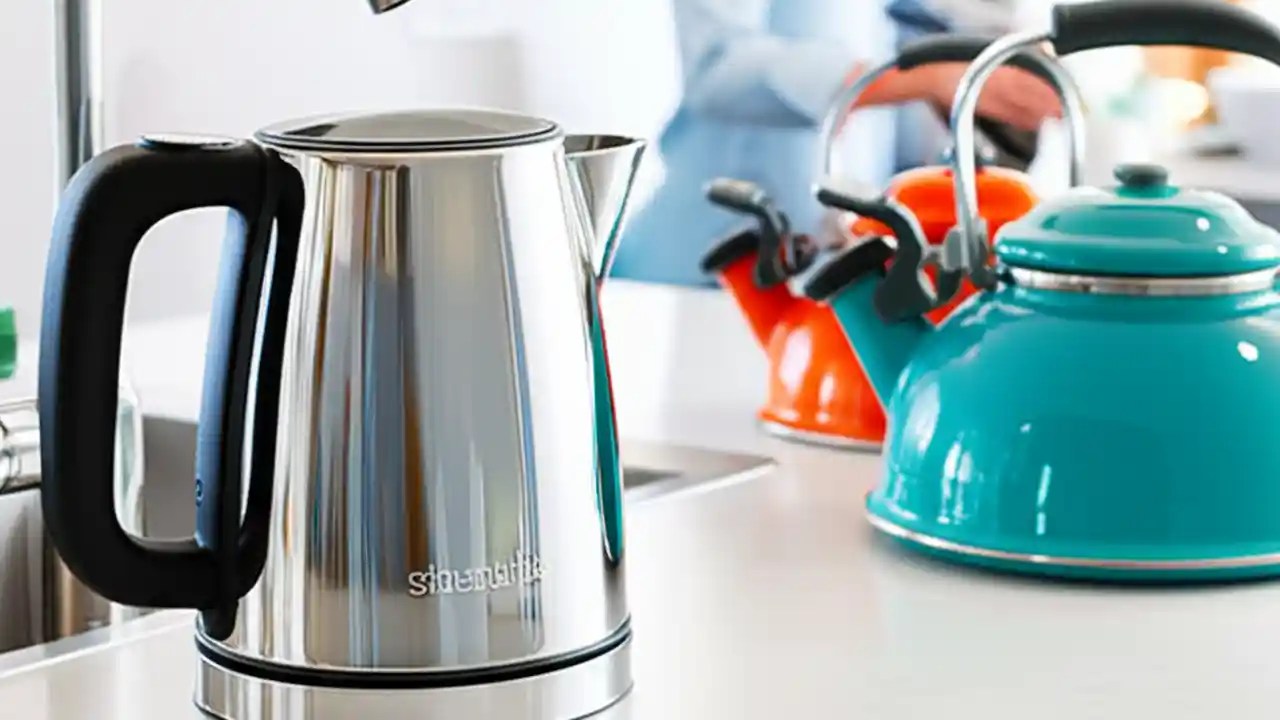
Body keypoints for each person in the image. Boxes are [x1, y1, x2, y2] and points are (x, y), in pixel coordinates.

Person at [608, 0, 1063, 287]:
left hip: (825, 261)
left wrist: (974, 77)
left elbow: (895, 37)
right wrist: (929, 77)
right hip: (699, 265)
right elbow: (718, 67)